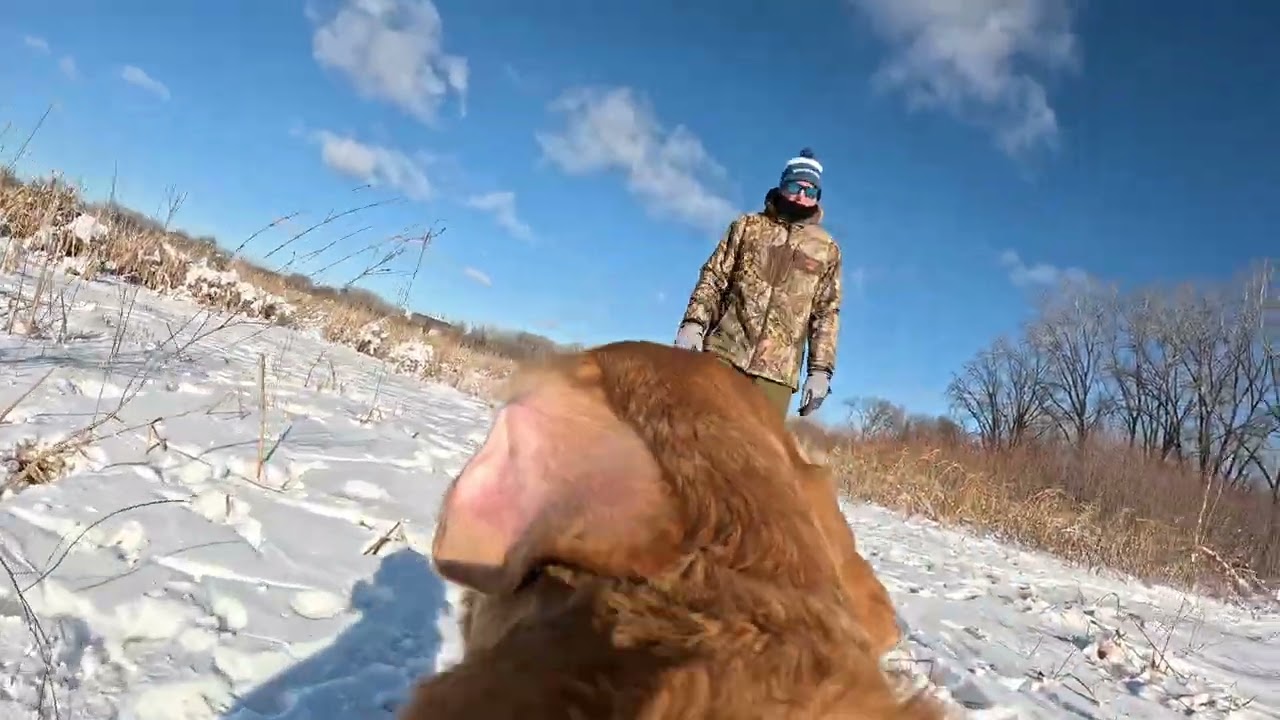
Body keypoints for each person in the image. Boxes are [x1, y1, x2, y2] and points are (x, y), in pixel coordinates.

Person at [674, 147, 842, 419]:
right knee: (694, 430)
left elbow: (825, 313)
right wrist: (693, 323)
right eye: (794, 186)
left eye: (810, 192)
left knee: (751, 454)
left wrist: (820, 371)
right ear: (781, 184)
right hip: (724, 353)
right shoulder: (747, 227)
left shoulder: (827, 250)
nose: (801, 196)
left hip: (776, 376)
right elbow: (714, 277)